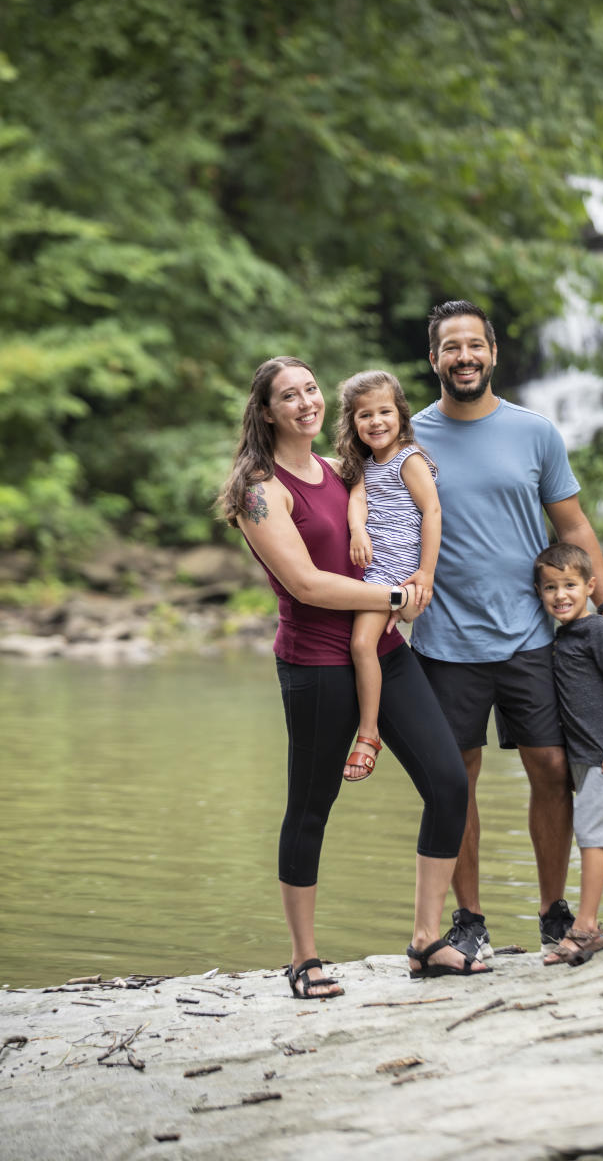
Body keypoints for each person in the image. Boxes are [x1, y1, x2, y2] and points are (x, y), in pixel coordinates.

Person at [218, 356, 490, 998]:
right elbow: (307, 584)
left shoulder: (345, 469)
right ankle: (304, 959)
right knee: (312, 808)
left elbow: (410, 501)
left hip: (386, 653)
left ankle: (427, 941)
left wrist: (417, 580)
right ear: (266, 411)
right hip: (316, 665)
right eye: (289, 395)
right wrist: (395, 600)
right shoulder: (260, 488)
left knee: (449, 783)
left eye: (311, 389)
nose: (306, 401)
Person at [410, 299, 603, 958]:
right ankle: (469, 915)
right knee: (458, 777)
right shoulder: (409, 437)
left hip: (534, 635)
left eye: (474, 345)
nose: (464, 357)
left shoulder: (535, 432)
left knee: (553, 766)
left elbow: (573, 526)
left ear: (494, 353)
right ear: (434, 359)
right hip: (445, 640)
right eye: (451, 347)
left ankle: (552, 909)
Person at [534, 542, 603, 966]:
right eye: (550, 587)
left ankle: (585, 929)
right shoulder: (563, 635)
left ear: (590, 586)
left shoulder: (600, 630)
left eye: (569, 585)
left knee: (594, 838)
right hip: (586, 757)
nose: (560, 595)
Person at [336, 370, 441, 782]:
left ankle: (369, 733)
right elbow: (358, 498)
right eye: (365, 415)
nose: (376, 422)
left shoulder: (408, 459)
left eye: (384, 412)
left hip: (393, 571)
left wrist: (426, 574)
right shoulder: (363, 463)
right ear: (353, 422)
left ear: (401, 414)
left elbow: (432, 512)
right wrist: (359, 529)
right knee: (369, 640)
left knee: (362, 644)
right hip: (371, 569)